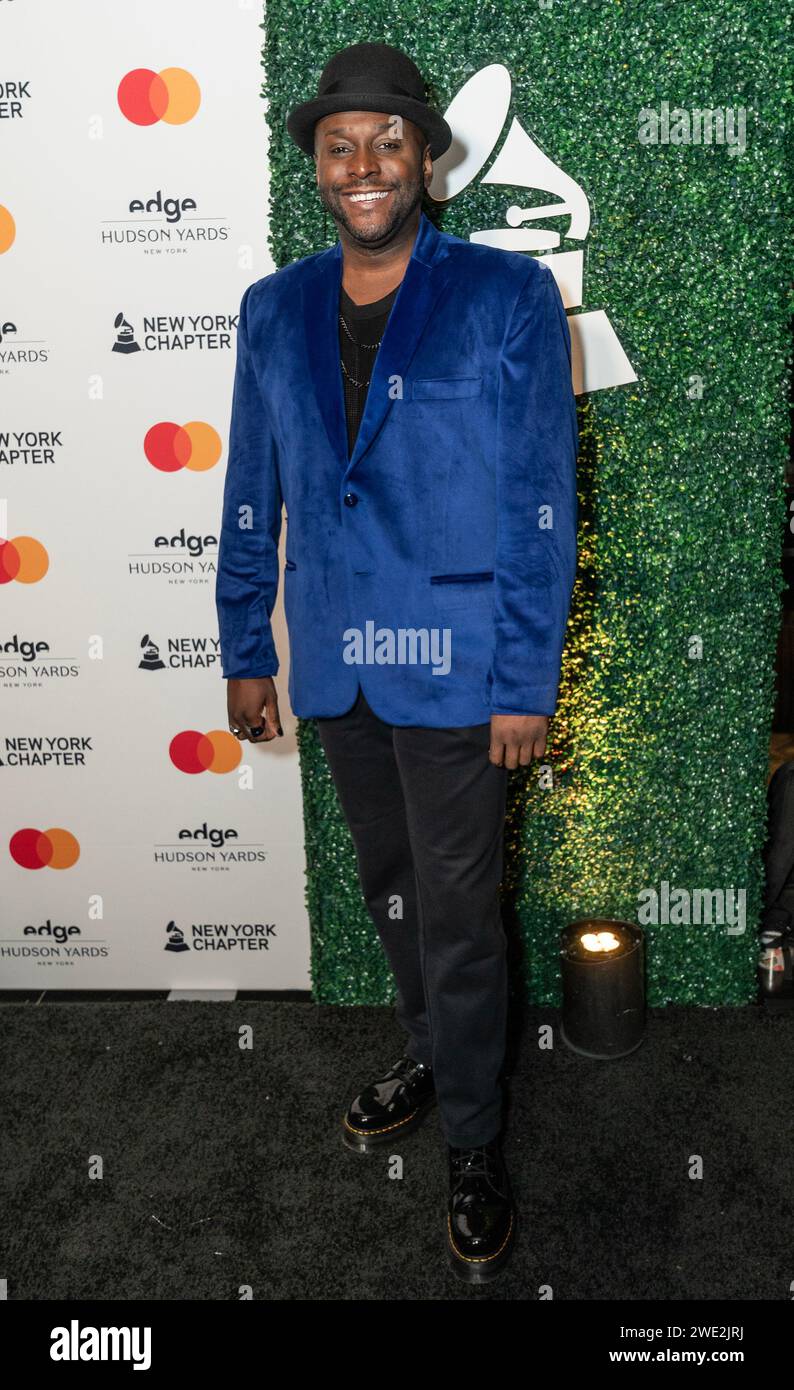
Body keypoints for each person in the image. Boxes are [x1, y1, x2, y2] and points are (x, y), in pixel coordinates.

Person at [215, 40, 579, 1284]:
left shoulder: (503, 296)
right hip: (336, 668)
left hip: (464, 670)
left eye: (387, 143)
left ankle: (474, 1141)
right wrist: (239, 645)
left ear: (426, 160)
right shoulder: (271, 310)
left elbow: (539, 497)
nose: (363, 166)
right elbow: (250, 497)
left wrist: (525, 678)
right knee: (391, 892)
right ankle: (432, 1050)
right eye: (339, 146)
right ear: (315, 168)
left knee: (462, 915)